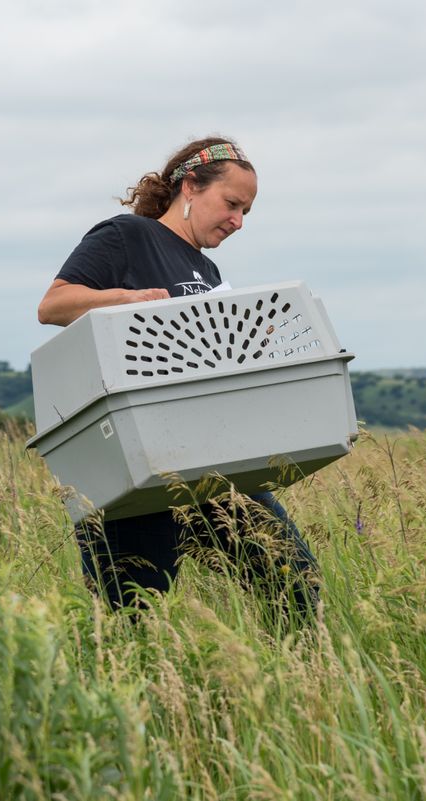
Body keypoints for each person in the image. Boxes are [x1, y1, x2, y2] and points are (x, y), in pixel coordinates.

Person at [37, 137, 319, 621]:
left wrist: (252, 343)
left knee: (295, 581)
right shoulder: (127, 235)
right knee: (134, 617)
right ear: (190, 186)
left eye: (246, 212)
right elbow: (53, 305)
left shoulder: (207, 270)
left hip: (210, 463)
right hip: (135, 466)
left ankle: (292, 669)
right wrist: (126, 299)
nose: (238, 221)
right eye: (231, 204)